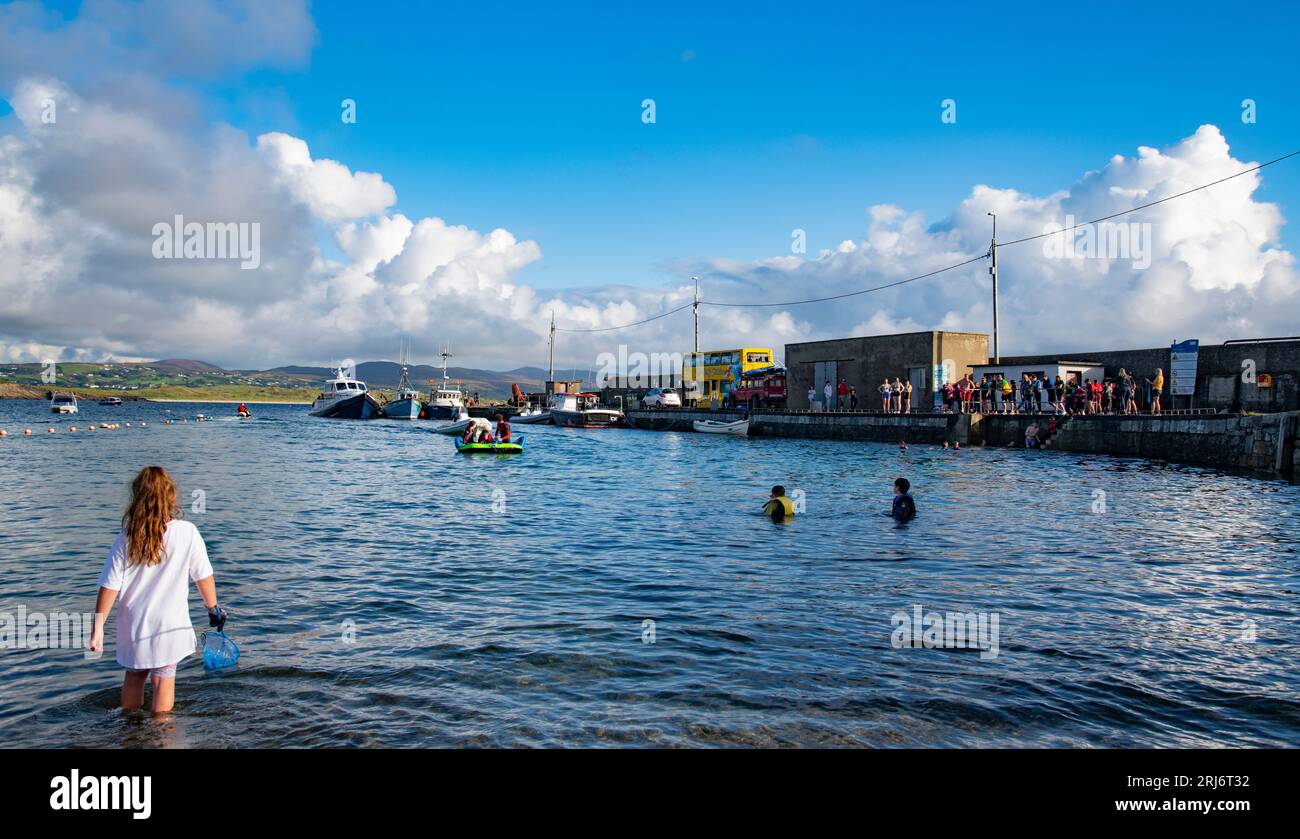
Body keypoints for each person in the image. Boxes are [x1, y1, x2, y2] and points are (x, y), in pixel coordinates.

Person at [89, 466, 224, 716]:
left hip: (134, 625)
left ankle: (130, 731)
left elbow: (109, 586)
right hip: (169, 625)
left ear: (136, 497)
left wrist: (97, 629)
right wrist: (212, 608)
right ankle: (161, 735)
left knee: (134, 675)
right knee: (163, 678)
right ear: (171, 497)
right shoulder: (187, 533)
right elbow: (203, 576)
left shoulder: (126, 538)